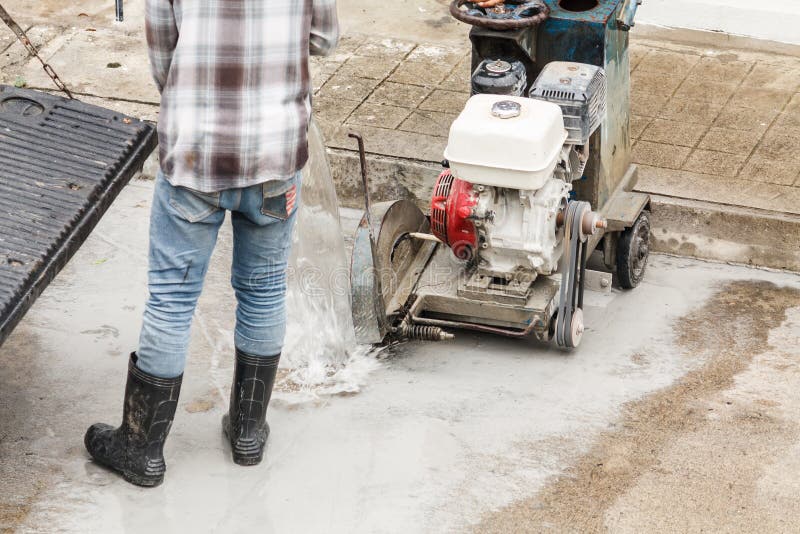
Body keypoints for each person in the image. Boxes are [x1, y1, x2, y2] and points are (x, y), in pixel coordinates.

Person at [83, 0, 339, 487]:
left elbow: (162, 56)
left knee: (172, 300)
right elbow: (325, 39)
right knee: (263, 291)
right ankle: (247, 432)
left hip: (196, 157)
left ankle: (141, 449)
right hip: (275, 159)